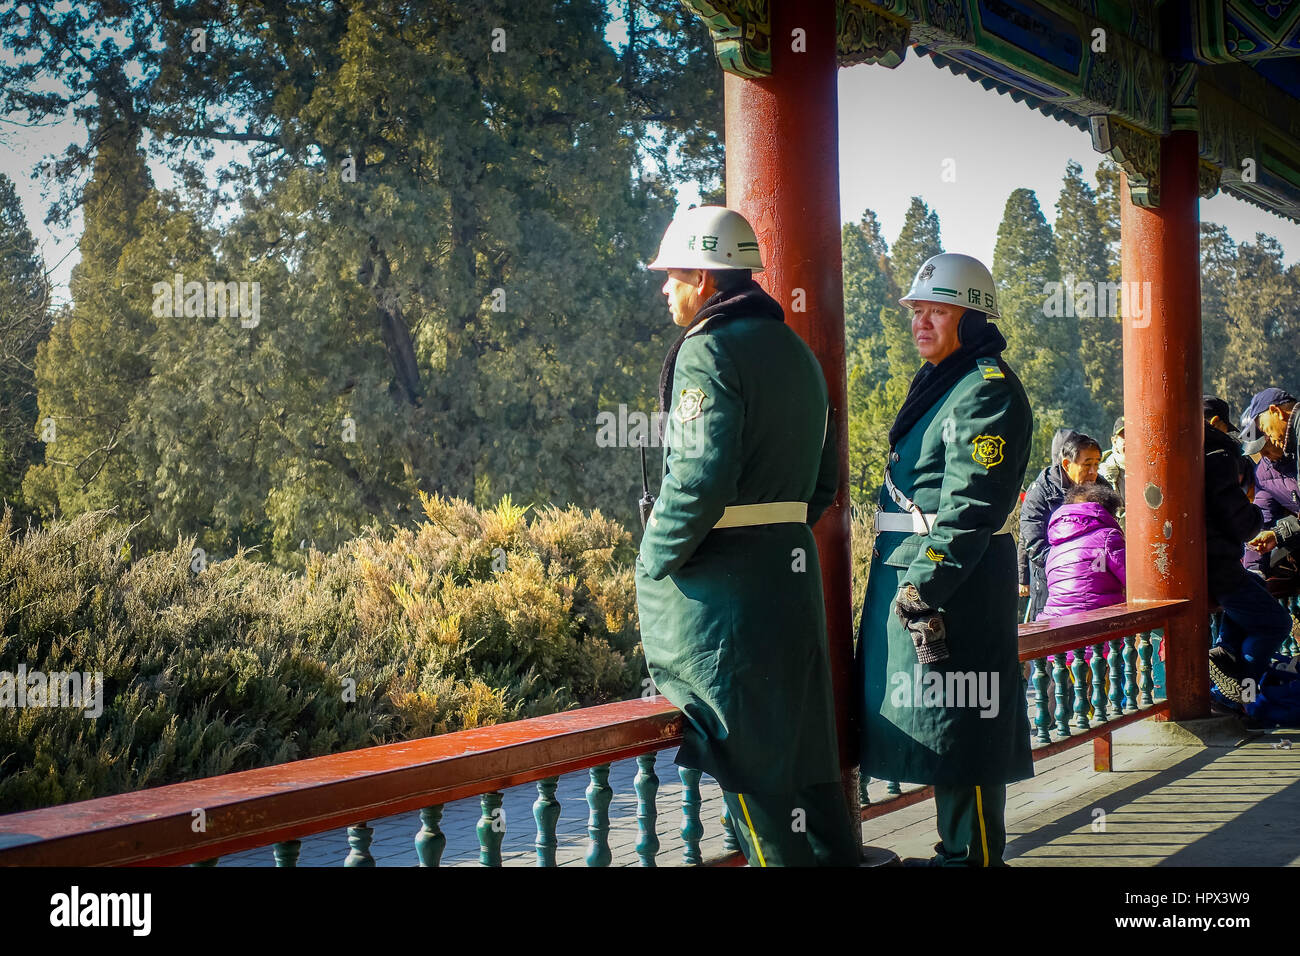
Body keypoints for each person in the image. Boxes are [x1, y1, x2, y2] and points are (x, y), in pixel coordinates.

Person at [634, 205, 858, 867]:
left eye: (673, 275)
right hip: (790, 591)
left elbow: (698, 480)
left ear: (704, 277)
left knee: (755, 788)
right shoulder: (796, 353)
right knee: (811, 778)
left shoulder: (708, 352)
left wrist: (653, 560)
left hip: (725, 609)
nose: (664, 289)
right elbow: (825, 481)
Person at [855, 252, 1033, 867]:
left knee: (965, 736)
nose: (920, 321)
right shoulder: (946, 384)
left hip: (951, 591)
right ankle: (956, 855)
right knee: (941, 731)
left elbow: (970, 507)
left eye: (937, 309)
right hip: (916, 581)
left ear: (974, 317)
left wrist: (923, 588)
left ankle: (972, 860)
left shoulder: (984, 393)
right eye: (916, 309)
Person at [1202, 394, 1292, 713]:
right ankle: (1236, 696)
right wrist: (1255, 519)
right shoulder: (1217, 451)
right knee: (1275, 623)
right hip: (1219, 565)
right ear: (1217, 424)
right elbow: (1237, 515)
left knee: (1254, 592)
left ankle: (1225, 653)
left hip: (1211, 564)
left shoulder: (1192, 451)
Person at [1020, 432, 1109, 620]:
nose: (1093, 471)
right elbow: (1034, 544)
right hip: (1053, 585)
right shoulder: (1041, 492)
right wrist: (1069, 567)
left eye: (1097, 464)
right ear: (1067, 464)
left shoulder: (1103, 488)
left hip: (1096, 581)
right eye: (1087, 465)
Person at [1038, 482, 1126, 619]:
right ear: (1107, 513)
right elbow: (1133, 579)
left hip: (1052, 621)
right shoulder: (1108, 536)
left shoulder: (1055, 547)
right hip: (1091, 623)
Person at [1241, 389, 1300, 579]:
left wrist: (1280, 533)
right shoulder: (1263, 473)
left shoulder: (1294, 449)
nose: (1264, 456)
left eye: (1265, 447)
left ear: (1277, 413)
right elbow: (1261, 520)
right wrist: (1254, 571)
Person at [1098, 417, 1125, 502]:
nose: (1131, 441)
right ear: (1114, 441)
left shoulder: (1151, 466)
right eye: (1125, 437)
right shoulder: (1102, 472)